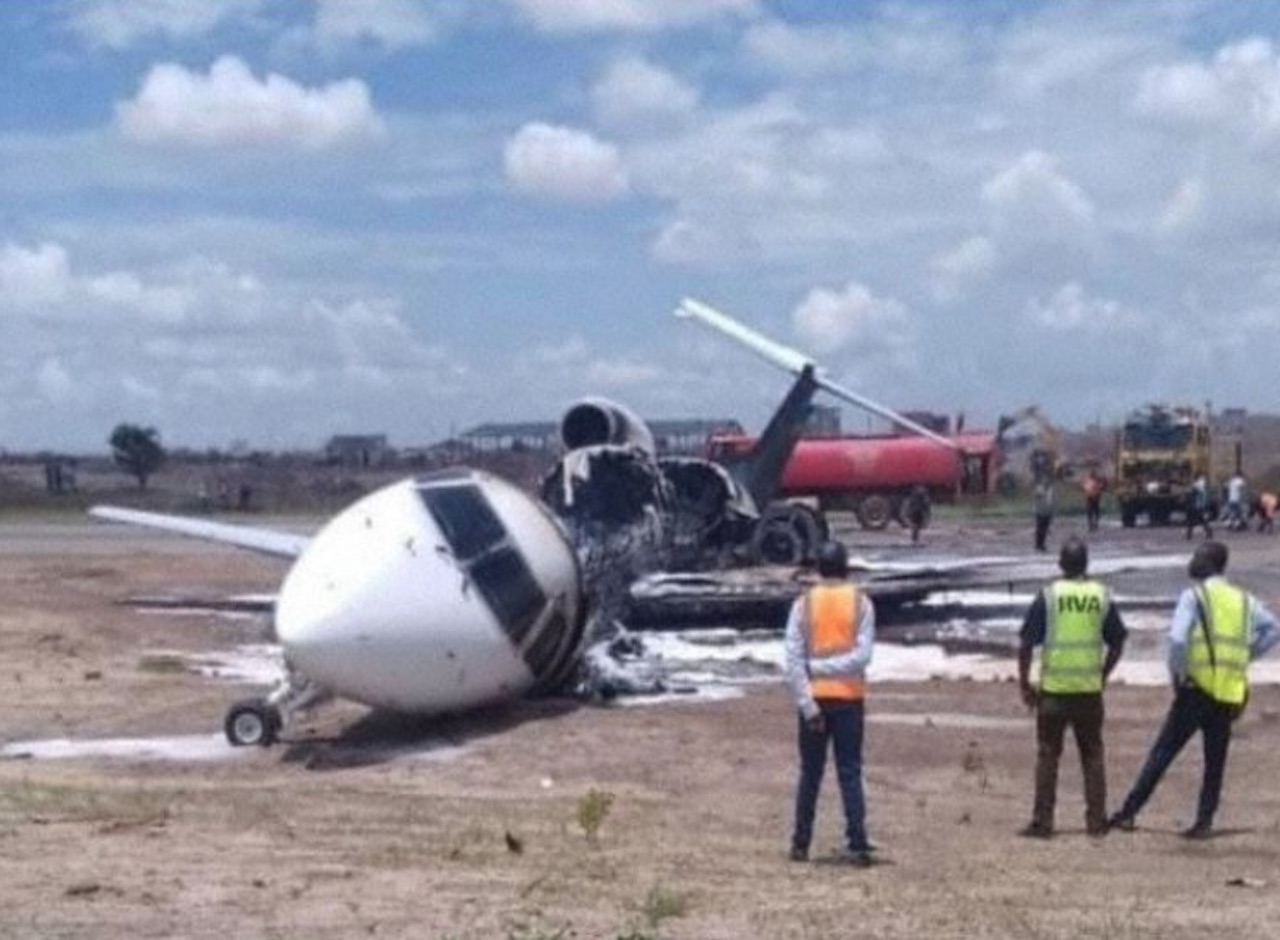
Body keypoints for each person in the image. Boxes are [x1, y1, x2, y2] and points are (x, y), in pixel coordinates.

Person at [1109, 540, 1279, 838]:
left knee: (1163, 754)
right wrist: (1244, 656)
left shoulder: (1193, 597)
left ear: (1209, 562)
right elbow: (1273, 630)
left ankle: (1129, 812)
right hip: (1227, 692)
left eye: (1197, 556)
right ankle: (1204, 821)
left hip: (1195, 689)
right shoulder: (1243, 600)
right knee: (1215, 762)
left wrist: (1177, 674)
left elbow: (1176, 641)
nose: (1193, 560)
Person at [1017, 537, 1128, 838]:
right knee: (1092, 755)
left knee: (1048, 755)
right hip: (1089, 691)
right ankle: (1096, 821)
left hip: (1054, 690)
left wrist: (1025, 682)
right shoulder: (1101, 596)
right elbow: (1118, 640)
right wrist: (1103, 674)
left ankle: (1042, 822)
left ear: (1061, 564)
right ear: (1086, 564)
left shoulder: (1049, 596)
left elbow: (1026, 643)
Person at [784, 539, 876, 866]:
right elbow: (862, 657)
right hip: (849, 700)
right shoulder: (861, 603)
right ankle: (858, 841)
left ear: (819, 569)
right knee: (849, 772)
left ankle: (800, 842)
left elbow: (793, 661)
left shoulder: (803, 605)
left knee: (810, 774)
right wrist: (828, 669)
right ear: (846, 567)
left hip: (814, 699)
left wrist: (809, 701)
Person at [1184, 476, 1213, 540]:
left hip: (1196, 507)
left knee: (1194, 521)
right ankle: (1208, 532)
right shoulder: (1202, 489)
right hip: (1199, 507)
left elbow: (1190, 496)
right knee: (1201, 520)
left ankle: (1189, 535)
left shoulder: (1196, 488)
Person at [1033, 478, 1055, 552]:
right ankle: (1038, 544)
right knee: (1040, 529)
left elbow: (1051, 502)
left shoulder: (1050, 491)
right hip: (1040, 512)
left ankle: (1041, 544)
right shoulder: (1040, 490)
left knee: (1044, 530)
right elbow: (1037, 499)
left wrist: (1051, 512)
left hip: (1047, 512)